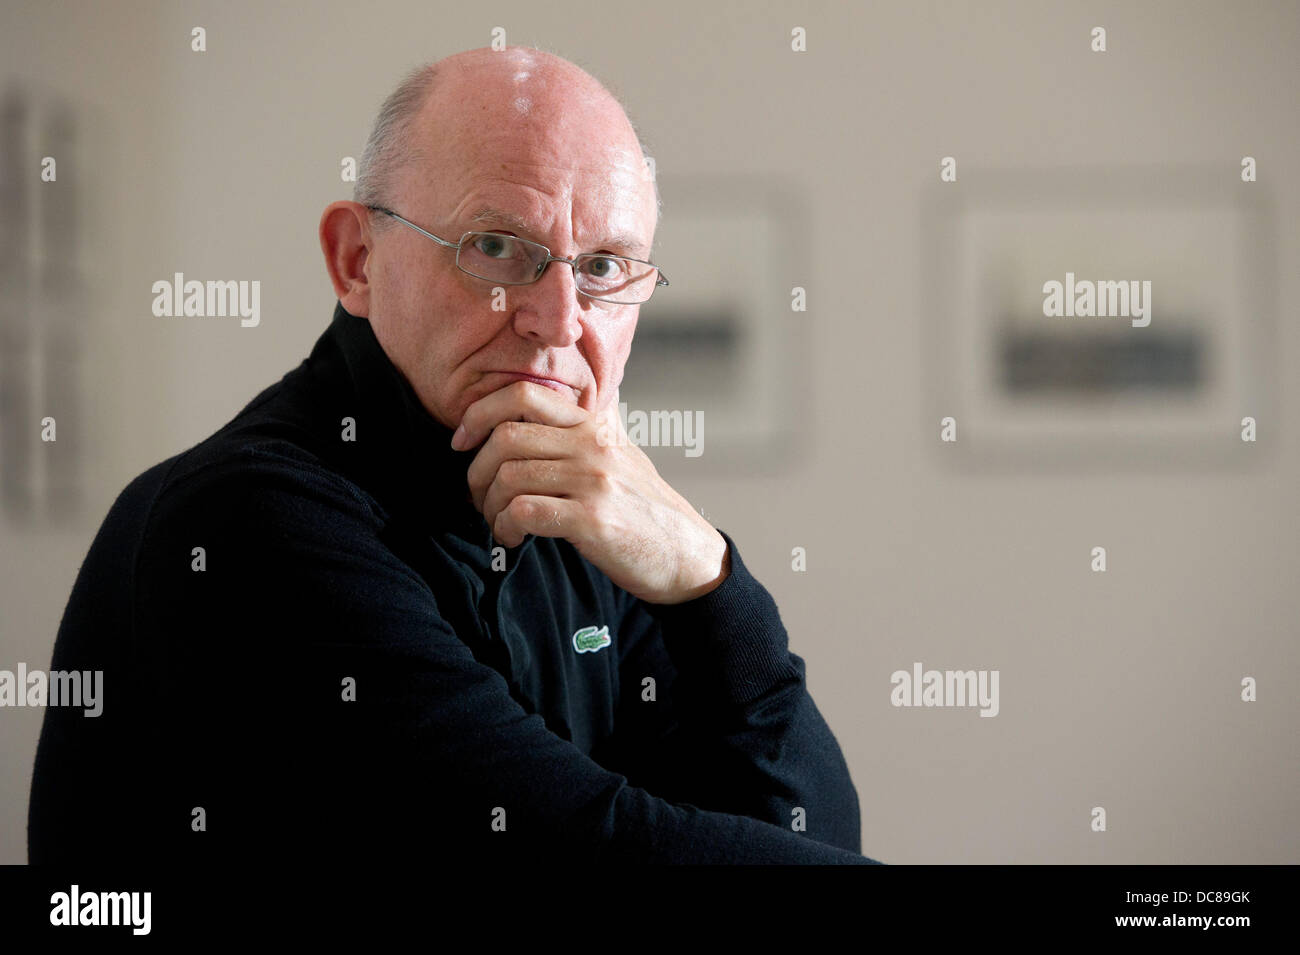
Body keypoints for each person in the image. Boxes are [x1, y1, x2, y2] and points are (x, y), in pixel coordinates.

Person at [28, 45, 879, 865]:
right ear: (356, 260)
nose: (558, 319)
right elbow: (575, 851)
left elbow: (812, 828)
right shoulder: (241, 520)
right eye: (498, 248)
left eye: (604, 266)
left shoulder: (581, 510)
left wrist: (708, 578)